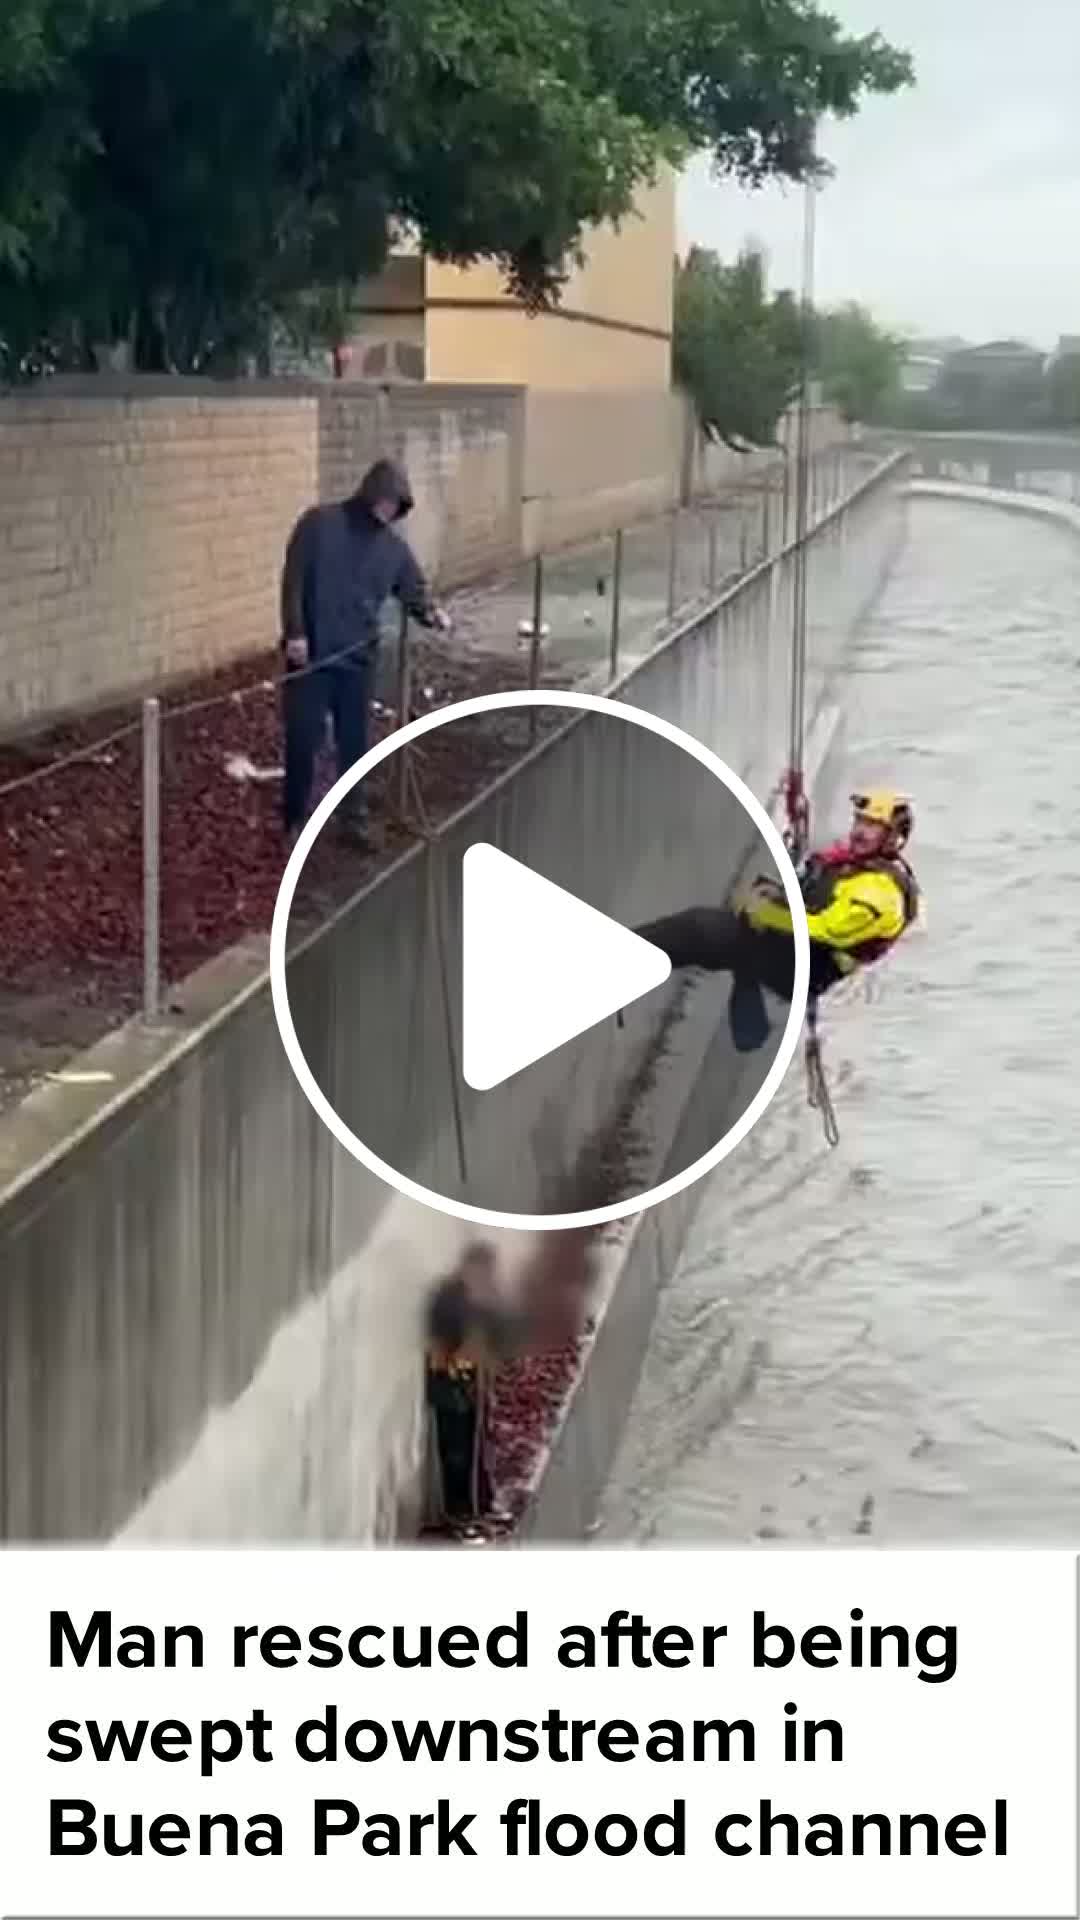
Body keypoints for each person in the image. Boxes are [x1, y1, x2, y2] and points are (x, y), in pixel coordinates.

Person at [634, 790, 920, 1052]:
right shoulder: (855, 866)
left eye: (873, 826)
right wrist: (776, 896)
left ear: (891, 837)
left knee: (700, 930)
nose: (859, 831)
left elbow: (824, 929)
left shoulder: (879, 894)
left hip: (804, 968)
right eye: (860, 821)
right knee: (713, 940)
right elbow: (815, 895)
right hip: (794, 953)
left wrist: (765, 913)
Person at [279, 458, 451, 845]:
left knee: (354, 742)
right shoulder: (319, 524)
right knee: (303, 738)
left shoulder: (393, 549)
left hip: (358, 661)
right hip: (312, 657)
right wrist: (295, 632)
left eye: (397, 505)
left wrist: (431, 613)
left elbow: (413, 589)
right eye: (386, 500)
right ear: (370, 492)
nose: (389, 509)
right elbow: (294, 579)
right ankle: (294, 819)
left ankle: (353, 819)